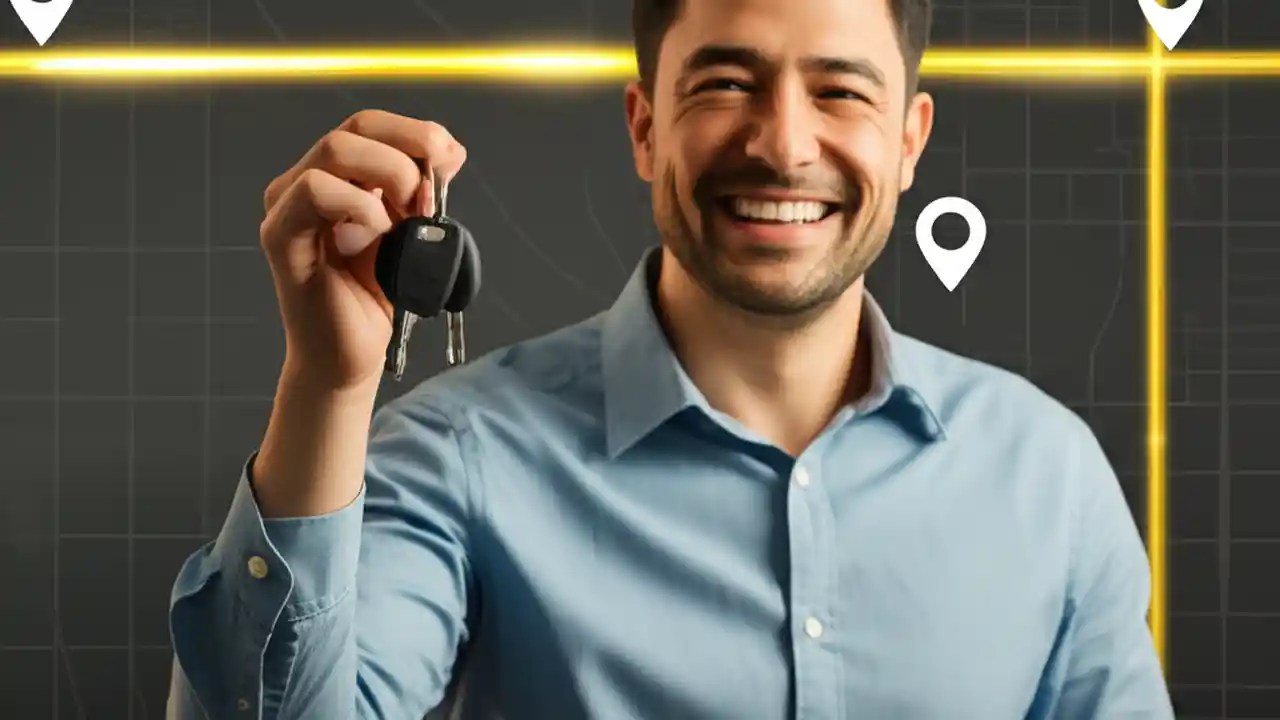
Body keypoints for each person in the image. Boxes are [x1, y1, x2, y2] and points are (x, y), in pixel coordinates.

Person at [165, 0, 1176, 717]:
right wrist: (329, 386)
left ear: (908, 142)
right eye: (726, 83)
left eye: (838, 92)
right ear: (644, 127)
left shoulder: (1047, 475)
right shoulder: (458, 453)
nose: (783, 145)